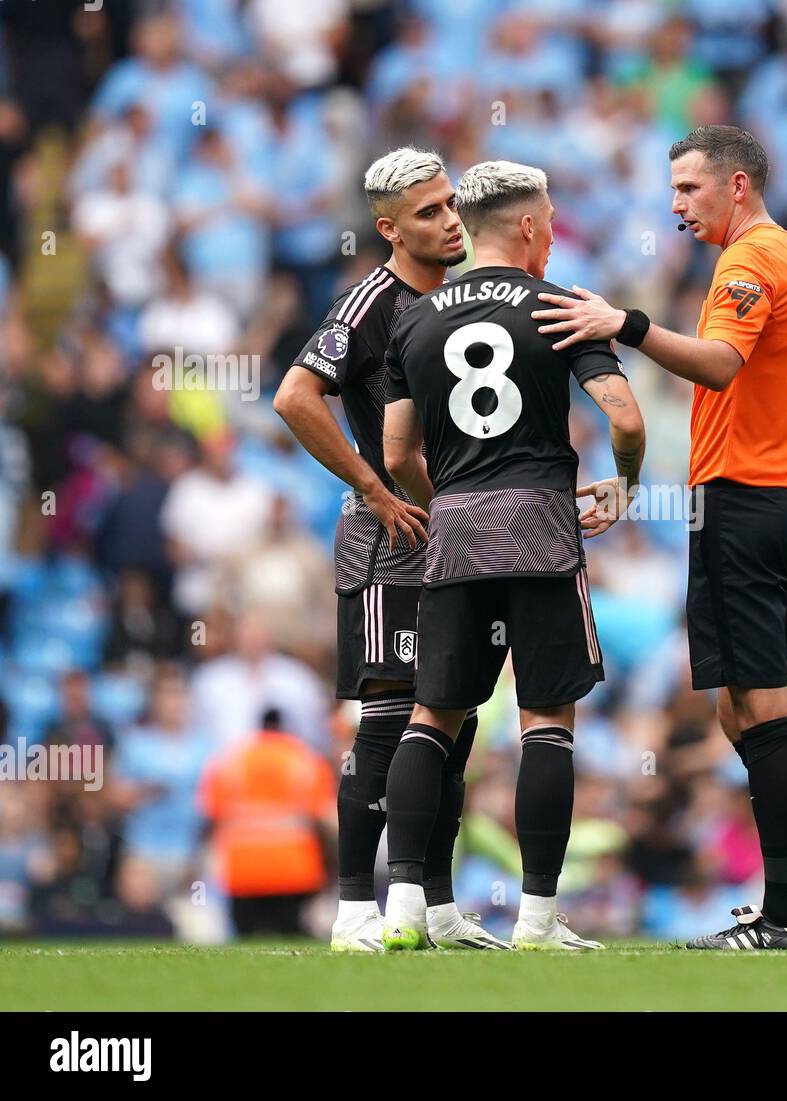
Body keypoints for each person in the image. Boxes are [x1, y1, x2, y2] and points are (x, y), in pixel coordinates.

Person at [531, 126, 787, 949]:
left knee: (758, 704)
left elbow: (722, 364)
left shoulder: (751, 259)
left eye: (689, 189)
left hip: (749, 500)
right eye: (671, 190)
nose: (675, 205)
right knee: (739, 708)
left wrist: (621, 322)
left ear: (737, 185)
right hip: (766, 497)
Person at [379, 159, 645, 951]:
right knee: (545, 722)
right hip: (538, 524)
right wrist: (626, 482)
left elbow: (396, 455)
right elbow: (625, 417)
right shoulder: (558, 305)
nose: (555, 235)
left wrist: (450, 505)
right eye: (552, 222)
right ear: (528, 226)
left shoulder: (416, 320)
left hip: (454, 524)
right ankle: (536, 919)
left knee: (432, 717)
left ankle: (401, 908)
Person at [272, 147, 508, 951]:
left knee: (453, 718)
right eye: (429, 213)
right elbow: (295, 396)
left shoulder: (467, 298)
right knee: (387, 721)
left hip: (457, 537)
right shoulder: (370, 301)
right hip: (392, 540)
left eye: (450, 205)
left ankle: (436, 904)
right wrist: (377, 489)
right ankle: (350, 910)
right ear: (387, 229)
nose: (450, 222)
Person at [197, 709, 336, 938]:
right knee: (293, 935)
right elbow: (323, 816)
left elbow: (211, 812)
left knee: (246, 937)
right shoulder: (305, 759)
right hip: (294, 868)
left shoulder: (231, 760)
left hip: (243, 868)